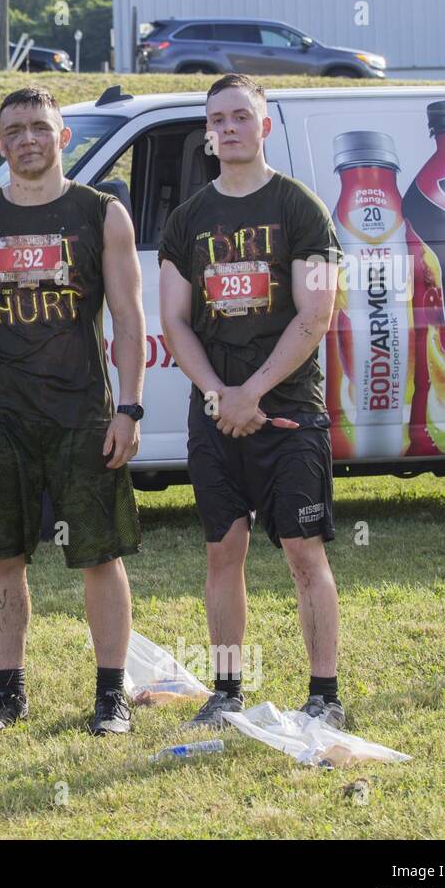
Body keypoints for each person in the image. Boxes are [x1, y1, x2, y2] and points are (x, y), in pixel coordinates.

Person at [0, 87, 147, 736]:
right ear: (0, 144)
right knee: (4, 558)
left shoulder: (102, 215)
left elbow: (130, 318)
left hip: (82, 410)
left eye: (40, 127)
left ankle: (110, 696)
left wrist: (131, 408)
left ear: (63, 139)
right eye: (15, 130)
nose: (28, 138)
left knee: (99, 555)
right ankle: (9, 694)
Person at [157, 74, 345, 729]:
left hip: (289, 411)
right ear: (208, 135)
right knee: (222, 550)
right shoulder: (187, 221)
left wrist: (253, 392)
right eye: (218, 120)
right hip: (216, 416)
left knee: (303, 551)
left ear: (265, 127)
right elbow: (174, 321)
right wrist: (218, 395)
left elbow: (316, 313)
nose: (230, 127)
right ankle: (228, 689)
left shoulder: (304, 211)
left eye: (242, 116)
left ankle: (325, 693)